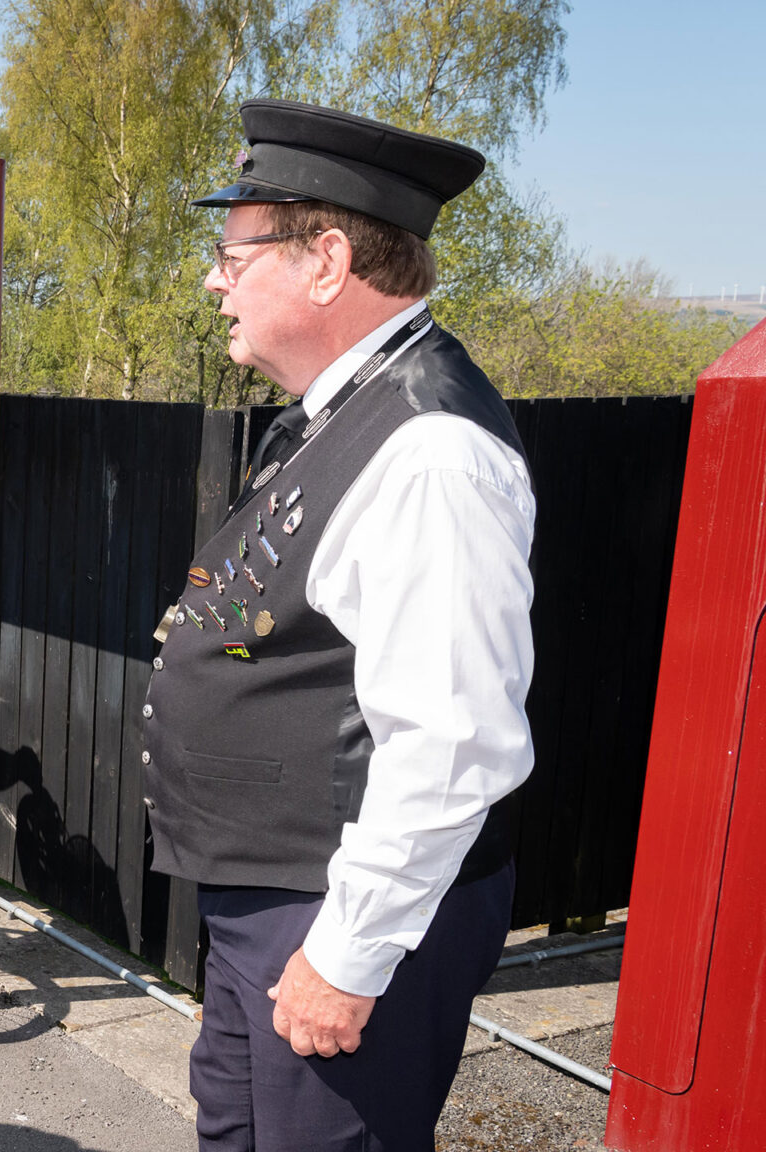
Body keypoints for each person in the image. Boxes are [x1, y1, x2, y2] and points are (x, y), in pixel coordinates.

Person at [141, 100, 537, 1150]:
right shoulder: (341, 409)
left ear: (323, 261)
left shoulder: (429, 450)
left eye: (231, 253)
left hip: (337, 916)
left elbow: (454, 744)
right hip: (270, 901)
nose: (211, 279)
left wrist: (346, 958)